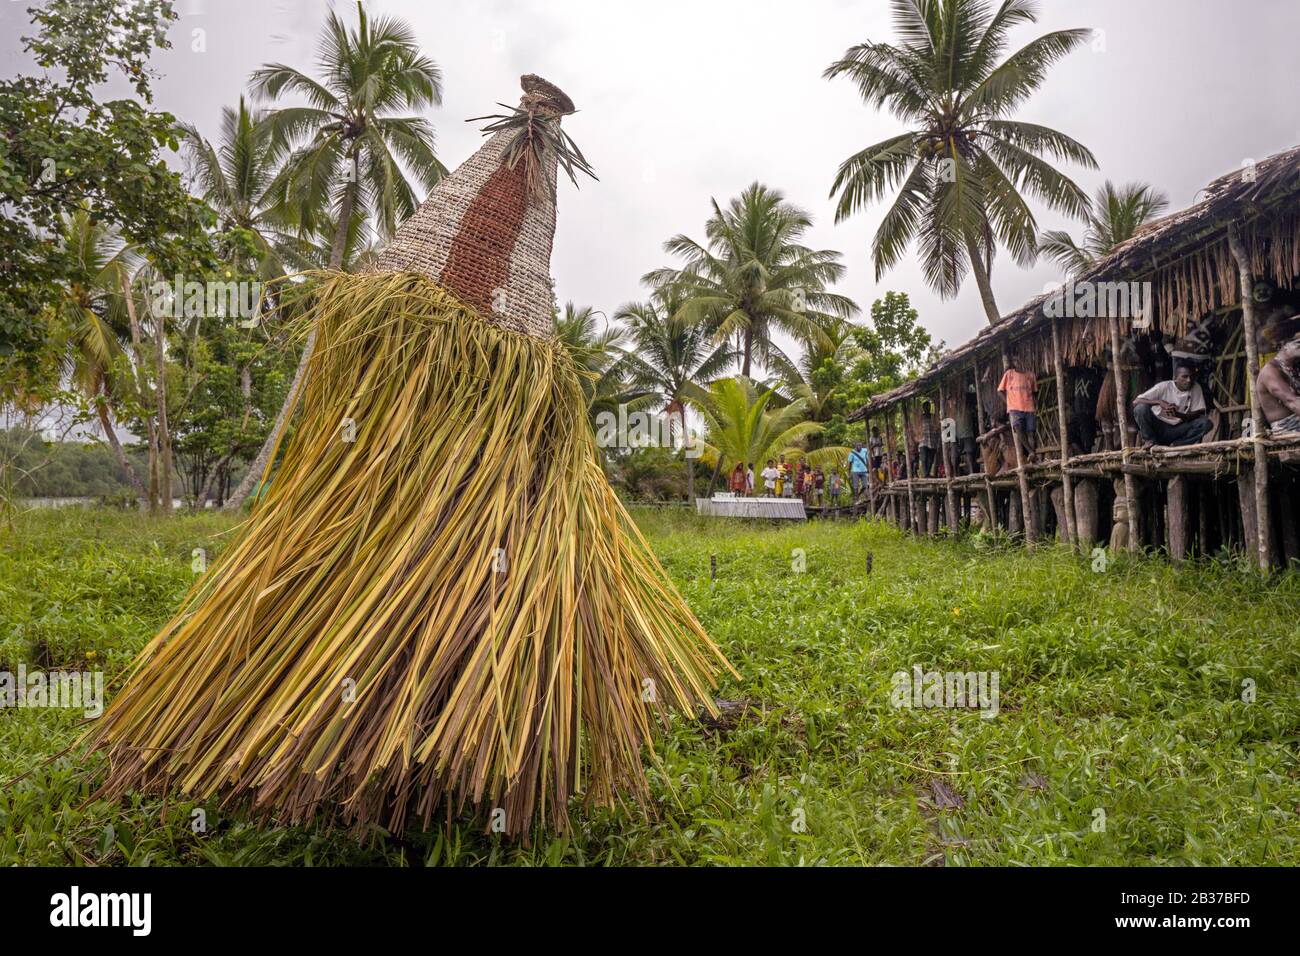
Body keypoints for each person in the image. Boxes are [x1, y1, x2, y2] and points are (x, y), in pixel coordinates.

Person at [1132, 362, 1212, 448]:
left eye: (1191, 377)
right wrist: (1160, 402)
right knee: (1140, 408)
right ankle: (1150, 441)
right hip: (1158, 427)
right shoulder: (1164, 386)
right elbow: (1136, 401)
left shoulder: (1195, 387)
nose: (1189, 380)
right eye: (1184, 377)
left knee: (1205, 423)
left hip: (1177, 429)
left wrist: (1178, 414)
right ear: (1175, 378)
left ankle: (1178, 445)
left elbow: (1198, 413)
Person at [1256, 337, 1300, 435]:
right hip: (1288, 429)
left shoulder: (1294, 367)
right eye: (1298, 342)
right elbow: (1292, 402)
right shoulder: (1270, 372)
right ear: (1283, 345)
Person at [998, 356, 1037, 460]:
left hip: (1029, 407)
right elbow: (1000, 390)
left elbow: (1034, 392)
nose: (1018, 362)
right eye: (1015, 361)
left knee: (1031, 432)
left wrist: (1034, 404)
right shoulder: (1009, 374)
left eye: (1020, 360)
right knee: (1018, 429)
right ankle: (1031, 452)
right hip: (1015, 408)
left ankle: (1032, 456)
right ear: (1013, 362)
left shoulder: (1030, 374)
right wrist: (1008, 403)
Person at [917, 402, 936, 477]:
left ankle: (927, 474)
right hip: (923, 440)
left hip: (932, 439)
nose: (927, 408)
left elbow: (937, 427)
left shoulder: (933, 416)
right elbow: (917, 428)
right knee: (924, 458)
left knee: (931, 459)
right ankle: (926, 474)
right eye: (926, 406)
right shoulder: (920, 417)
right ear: (923, 408)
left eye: (929, 406)